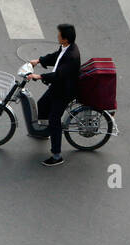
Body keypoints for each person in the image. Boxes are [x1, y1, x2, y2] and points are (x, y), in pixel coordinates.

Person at [24, 24, 80, 168]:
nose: (57, 36)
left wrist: (39, 76)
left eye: (59, 34)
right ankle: (44, 132)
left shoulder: (72, 56)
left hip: (64, 91)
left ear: (65, 39)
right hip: (58, 86)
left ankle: (57, 155)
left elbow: (59, 75)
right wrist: (40, 60)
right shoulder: (66, 48)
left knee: (54, 119)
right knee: (42, 103)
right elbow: (56, 57)